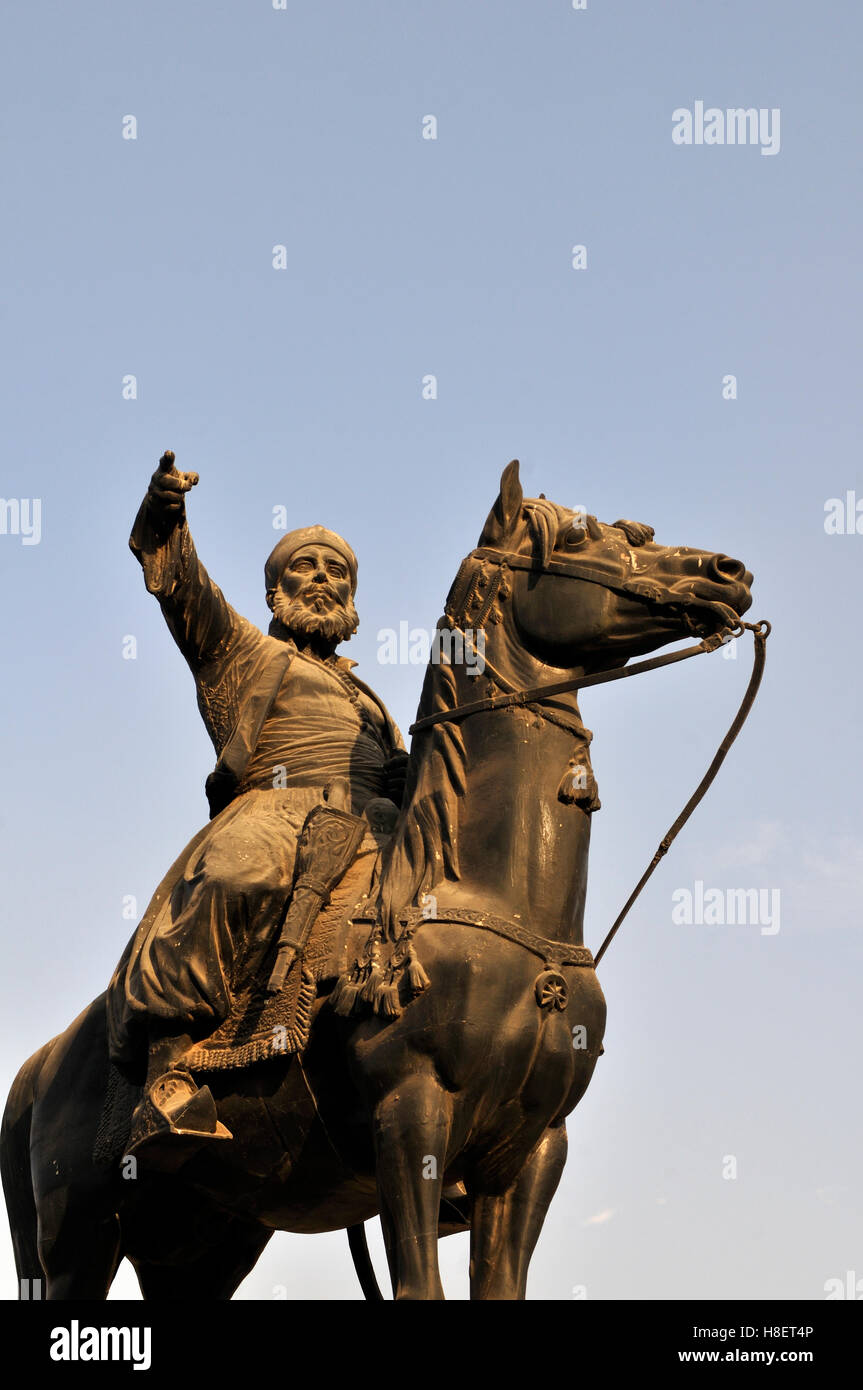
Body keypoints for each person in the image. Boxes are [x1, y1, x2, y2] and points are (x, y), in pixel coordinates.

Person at [106, 453, 407, 1153]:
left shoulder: (371, 700)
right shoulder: (241, 649)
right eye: (306, 566)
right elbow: (183, 588)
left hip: (375, 826)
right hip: (277, 810)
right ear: (274, 587)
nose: (324, 578)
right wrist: (165, 514)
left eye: (338, 571)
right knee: (236, 873)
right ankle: (168, 1068)